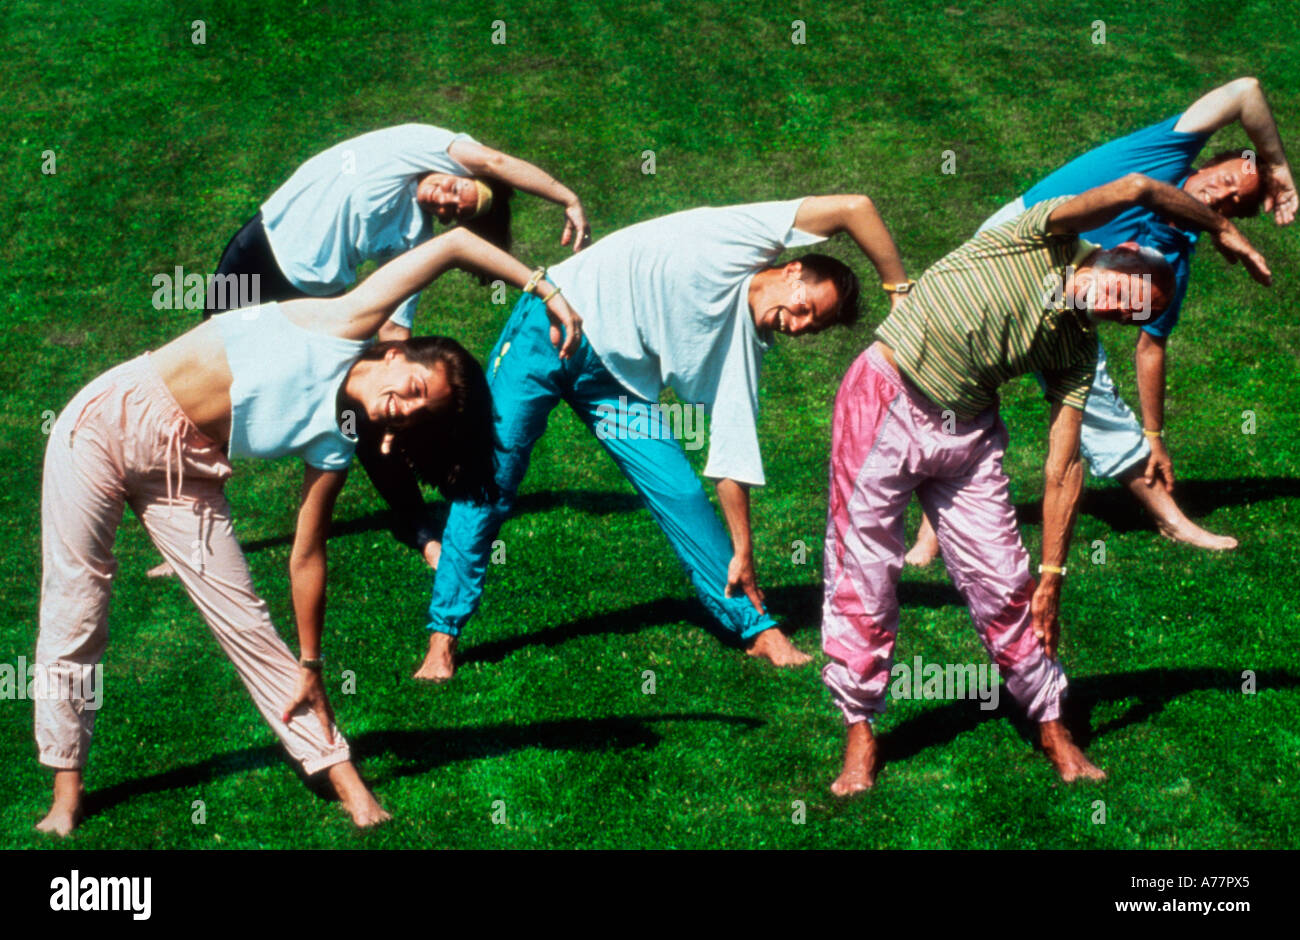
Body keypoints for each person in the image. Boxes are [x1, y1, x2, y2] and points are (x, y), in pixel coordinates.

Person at [34, 226, 582, 835]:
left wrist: (313, 661)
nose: (404, 405)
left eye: (419, 412)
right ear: (398, 353)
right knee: (77, 610)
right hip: (104, 426)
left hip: (187, 472)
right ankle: (66, 794)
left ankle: (343, 773)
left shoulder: (339, 435)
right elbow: (453, 244)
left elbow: (306, 552)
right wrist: (544, 288)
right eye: (415, 389)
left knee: (246, 621)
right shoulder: (346, 321)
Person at [822, 175, 1270, 795]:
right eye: (1126, 295)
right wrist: (1221, 227)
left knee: (1010, 584)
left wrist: (1053, 575)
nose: (1118, 312)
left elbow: (1064, 466)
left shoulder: (1076, 349)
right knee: (863, 573)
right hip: (883, 399)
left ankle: (1052, 723)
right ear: (1121, 256)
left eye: (1132, 316)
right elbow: (1140, 186)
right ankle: (861, 732)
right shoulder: (1042, 234)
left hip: (967, 432)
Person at [417, 195, 910, 682]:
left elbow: (731, 463)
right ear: (793, 270)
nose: (797, 324)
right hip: (548, 324)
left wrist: (744, 552)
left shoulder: (743, 353)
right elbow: (856, 208)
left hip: (613, 382)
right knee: (491, 482)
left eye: (810, 326)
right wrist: (898, 290)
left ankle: (758, 629)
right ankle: (443, 637)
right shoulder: (745, 237)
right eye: (806, 307)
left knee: (681, 491)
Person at [145, 123, 590, 578]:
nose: (445, 199)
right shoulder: (416, 146)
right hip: (255, 261)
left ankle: (418, 527)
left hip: (315, 304)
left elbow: (395, 333)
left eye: (454, 210)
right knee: (199, 412)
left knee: (361, 411)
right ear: (457, 166)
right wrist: (567, 198)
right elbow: (495, 163)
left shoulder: (413, 237)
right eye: (456, 188)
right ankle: (190, 542)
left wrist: (407, 405)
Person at [905, 77, 1296, 566]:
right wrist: (1277, 166)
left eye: (1237, 202)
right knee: (962, 383)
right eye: (1227, 179)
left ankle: (1168, 517)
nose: (1223, 196)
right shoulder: (1164, 153)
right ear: (1212, 160)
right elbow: (1246, 92)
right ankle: (930, 534)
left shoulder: (1170, 263)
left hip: (1073, 295)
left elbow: (1151, 346)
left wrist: (1154, 435)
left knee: (1092, 395)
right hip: (1018, 243)